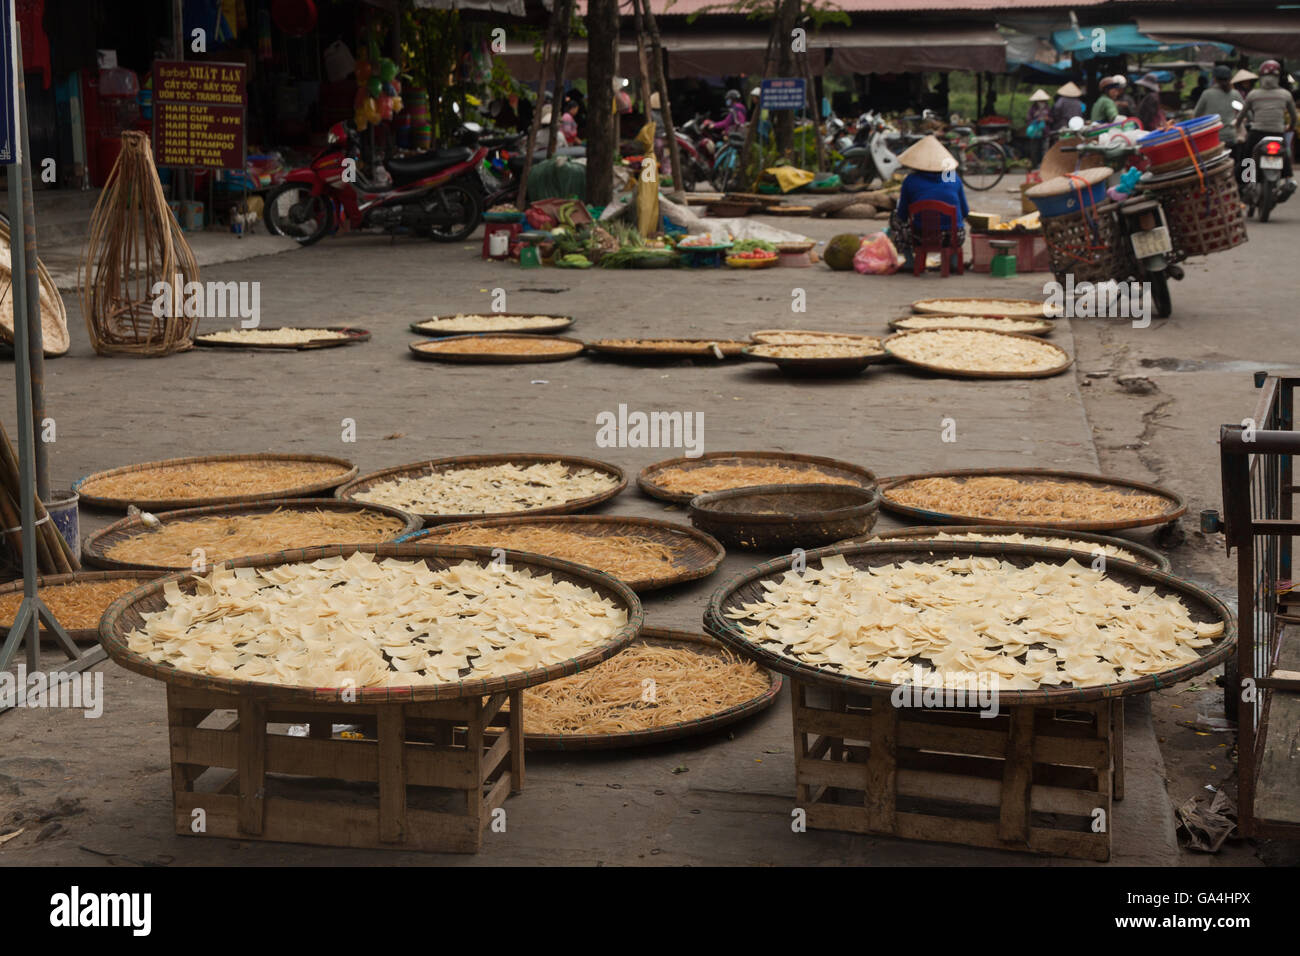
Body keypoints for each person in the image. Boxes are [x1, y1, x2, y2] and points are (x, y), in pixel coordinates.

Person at [889, 134, 968, 271]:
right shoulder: (952, 177)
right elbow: (965, 211)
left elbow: (902, 214)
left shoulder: (910, 180)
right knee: (958, 222)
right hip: (953, 237)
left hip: (921, 236)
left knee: (895, 217)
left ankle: (909, 260)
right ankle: (953, 260)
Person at [1239, 59, 1298, 187]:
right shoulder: (1285, 94)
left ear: (1260, 77)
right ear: (1278, 77)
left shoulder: (1253, 95)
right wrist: (1290, 127)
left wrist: (1237, 126)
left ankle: (1246, 181)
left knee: (1248, 154)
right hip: (1278, 132)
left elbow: (1241, 115)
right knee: (1284, 153)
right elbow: (1294, 117)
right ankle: (1288, 179)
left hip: (1257, 133)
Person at [1194, 65, 1241, 148]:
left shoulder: (1207, 94)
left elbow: (1197, 114)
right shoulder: (1235, 94)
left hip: (1212, 138)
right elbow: (1246, 113)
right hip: (1230, 137)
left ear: (1214, 79)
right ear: (1230, 79)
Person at [1026, 88, 1051, 165]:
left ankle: (1044, 165)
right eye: (1040, 101)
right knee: (1034, 149)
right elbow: (1028, 120)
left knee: (1045, 149)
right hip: (1035, 133)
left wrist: (1047, 119)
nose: (1042, 102)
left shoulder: (1048, 108)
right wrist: (1037, 120)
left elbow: (1052, 119)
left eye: (1043, 100)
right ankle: (1034, 164)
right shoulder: (1032, 109)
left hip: (1045, 132)